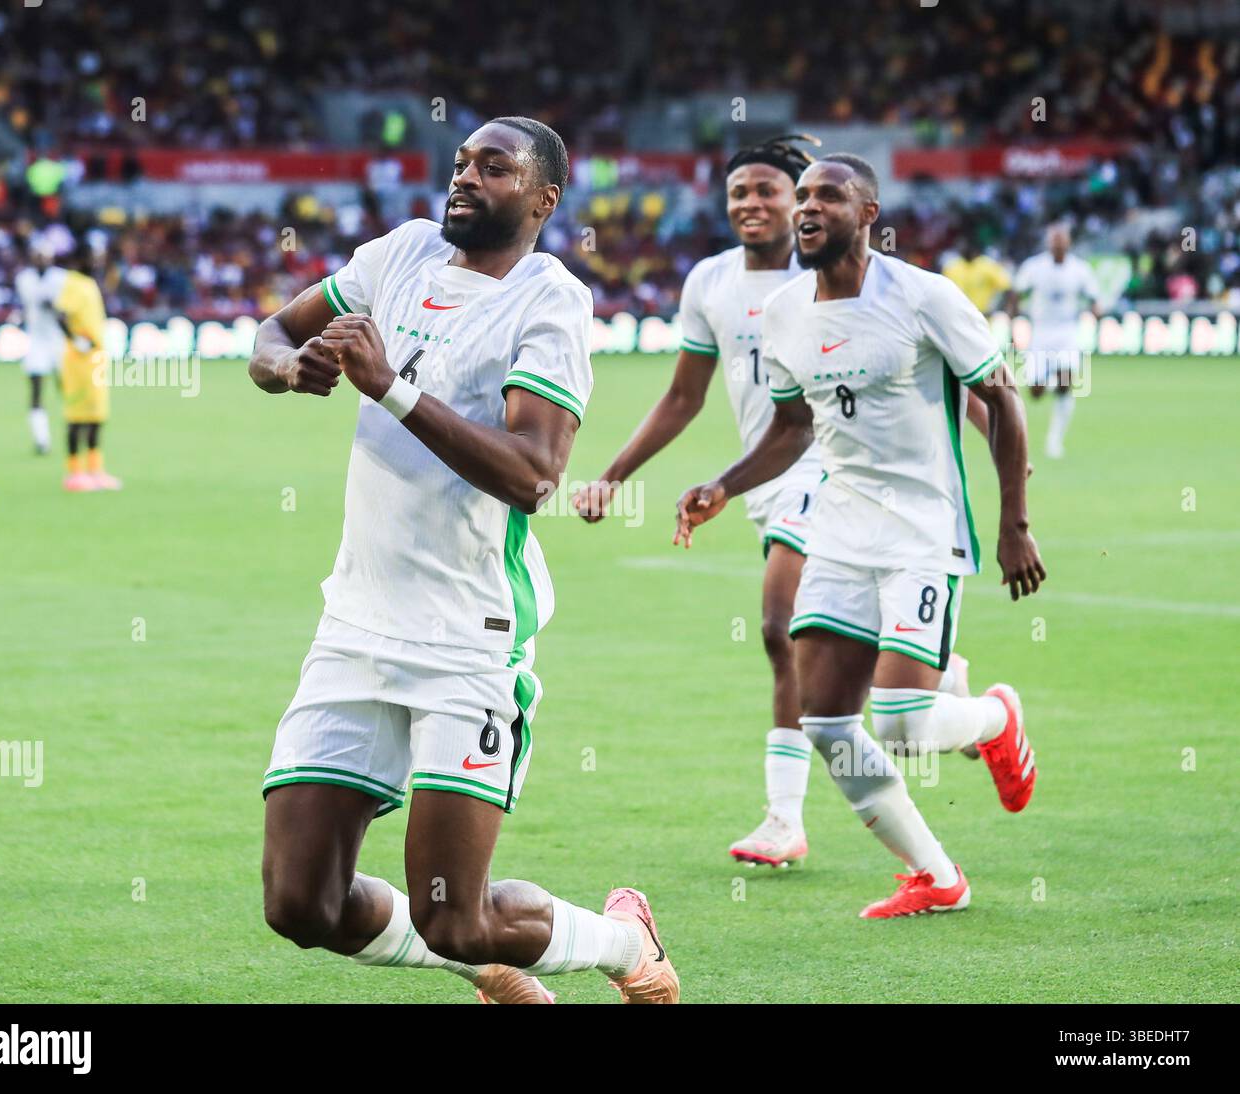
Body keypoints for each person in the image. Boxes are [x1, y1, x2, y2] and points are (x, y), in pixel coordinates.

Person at [251, 117, 678, 1004]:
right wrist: (293, 366)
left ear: (543, 198)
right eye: (461, 163)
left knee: (455, 910)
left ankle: (622, 940)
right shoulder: (401, 253)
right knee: (300, 903)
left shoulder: (549, 302)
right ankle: (483, 967)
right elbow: (268, 334)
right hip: (355, 624)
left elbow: (534, 474)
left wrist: (392, 389)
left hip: (467, 636)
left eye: (494, 166)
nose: (466, 177)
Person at [676, 154, 1046, 918]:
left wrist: (1014, 524)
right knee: (826, 722)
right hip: (839, 530)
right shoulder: (783, 312)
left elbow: (1003, 402)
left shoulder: (922, 297)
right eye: (803, 196)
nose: (809, 208)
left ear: (869, 213)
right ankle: (935, 875)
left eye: (829, 197)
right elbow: (791, 426)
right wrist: (724, 485)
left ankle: (997, 718)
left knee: (905, 725)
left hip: (922, 531)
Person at [575, 136, 823, 867]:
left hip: (835, 465)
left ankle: (784, 819)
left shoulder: (834, 275)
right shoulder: (711, 282)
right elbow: (684, 397)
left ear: (799, 200)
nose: (751, 203)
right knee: (833, 644)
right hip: (763, 473)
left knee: (782, 628)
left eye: (767, 191)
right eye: (739, 192)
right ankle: (959, 699)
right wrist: (613, 476)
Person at [1010, 223, 1101, 459]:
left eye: (1062, 240)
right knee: (1036, 392)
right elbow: (1017, 294)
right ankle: (1049, 385)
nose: (1058, 244)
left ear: (1068, 243)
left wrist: (1096, 311)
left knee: (1066, 381)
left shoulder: (1079, 269)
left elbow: (1093, 298)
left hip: (1067, 331)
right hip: (1040, 332)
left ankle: (1055, 440)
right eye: (1054, 240)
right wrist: (1013, 322)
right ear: (1049, 243)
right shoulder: (1034, 267)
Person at [55, 248, 121, 491]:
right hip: (78, 361)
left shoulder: (90, 283)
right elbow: (60, 316)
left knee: (97, 415)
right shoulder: (74, 283)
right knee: (76, 415)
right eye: (93, 257)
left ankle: (95, 470)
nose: (97, 261)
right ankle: (74, 473)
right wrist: (76, 340)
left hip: (95, 360)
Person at [14, 239, 66, 455]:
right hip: (37, 340)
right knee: (36, 390)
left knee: (68, 388)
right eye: (38, 255)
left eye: (45, 256)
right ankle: (41, 439)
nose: (41, 260)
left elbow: (63, 308)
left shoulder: (61, 278)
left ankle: (74, 428)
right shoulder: (24, 279)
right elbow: (32, 304)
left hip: (58, 340)